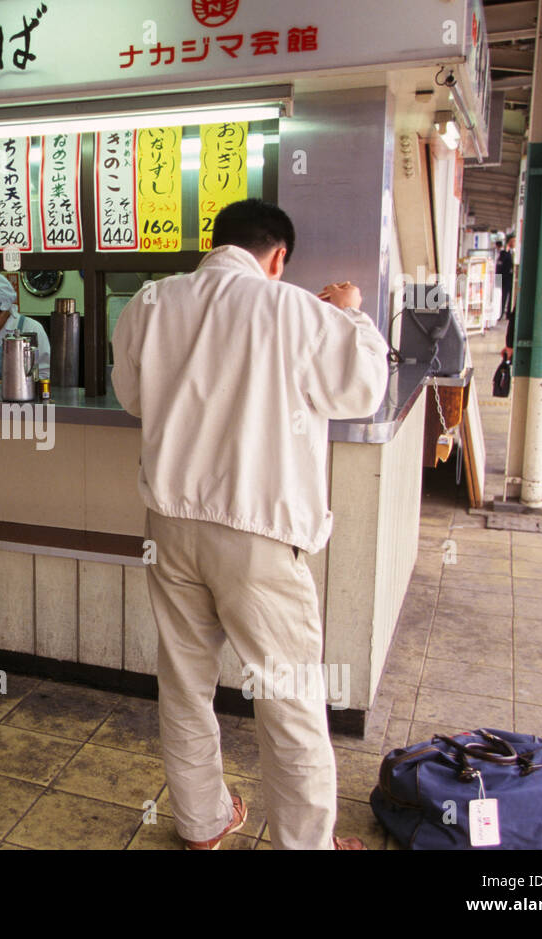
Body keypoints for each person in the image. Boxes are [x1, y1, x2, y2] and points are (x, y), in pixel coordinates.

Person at [112, 198, 388, 851]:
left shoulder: (151, 303)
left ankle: (203, 821)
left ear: (218, 242)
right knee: (289, 698)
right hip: (259, 534)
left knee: (184, 681)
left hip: (170, 524)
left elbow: (131, 395)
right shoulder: (296, 309)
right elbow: (363, 389)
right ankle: (306, 845)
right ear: (278, 255)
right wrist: (349, 312)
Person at [496, 234, 516, 325]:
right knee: (502, 296)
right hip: (503, 278)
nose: (515, 243)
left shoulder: (514, 252)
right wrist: (498, 280)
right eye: (513, 241)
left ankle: (508, 314)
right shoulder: (504, 252)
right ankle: (499, 314)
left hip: (510, 278)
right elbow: (500, 265)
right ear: (509, 241)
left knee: (510, 296)